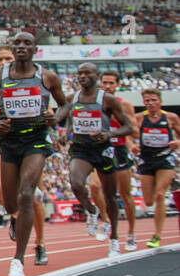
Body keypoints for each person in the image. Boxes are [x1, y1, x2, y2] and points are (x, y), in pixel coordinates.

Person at [0, 31, 67, 276]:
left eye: (27, 42)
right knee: (10, 200)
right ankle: (19, 210)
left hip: (36, 139)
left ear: (35, 48)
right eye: (17, 42)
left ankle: (18, 259)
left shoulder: (46, 76)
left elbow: (64, 104)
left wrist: (56, 117)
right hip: (8, 141)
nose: (22, 46)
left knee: (26, 194)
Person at [62, 63, 137, 257]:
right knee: (76, 183)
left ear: (97, 76)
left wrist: (108, 134)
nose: (83, 76)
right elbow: (70, 122)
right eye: (80, 73)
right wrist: (65, 134)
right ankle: (92, 210)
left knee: (111, 195)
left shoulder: (108, 100)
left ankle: (114, 239)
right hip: (81, 149)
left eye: (87, 73)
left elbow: (128, 127)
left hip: (103, 150)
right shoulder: (72, 98)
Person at [88, 72, 138, 248]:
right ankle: (106, 220)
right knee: (94, 187)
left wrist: (118, 118)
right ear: (100, 84)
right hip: (100, 150)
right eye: (104, 83)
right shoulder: (94, 103)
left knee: (125, 194)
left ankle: (131, 233)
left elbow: (135, 130)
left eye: (111, 83)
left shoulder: (124, 104)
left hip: (119, 150)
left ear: (117, 85)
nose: (107, 86)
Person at [133, 89, 179, 248]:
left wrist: (177, 143)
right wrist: (132, 145)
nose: (151, 103)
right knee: (148, 200)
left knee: (160, 195)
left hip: (165, 160)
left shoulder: (171, 118)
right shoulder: (139, 118)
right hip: (146, 161)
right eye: (147, 101)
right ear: (143, 103)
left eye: (153, 100)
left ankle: (157, 236)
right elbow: (128, 136)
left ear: (160, 101)